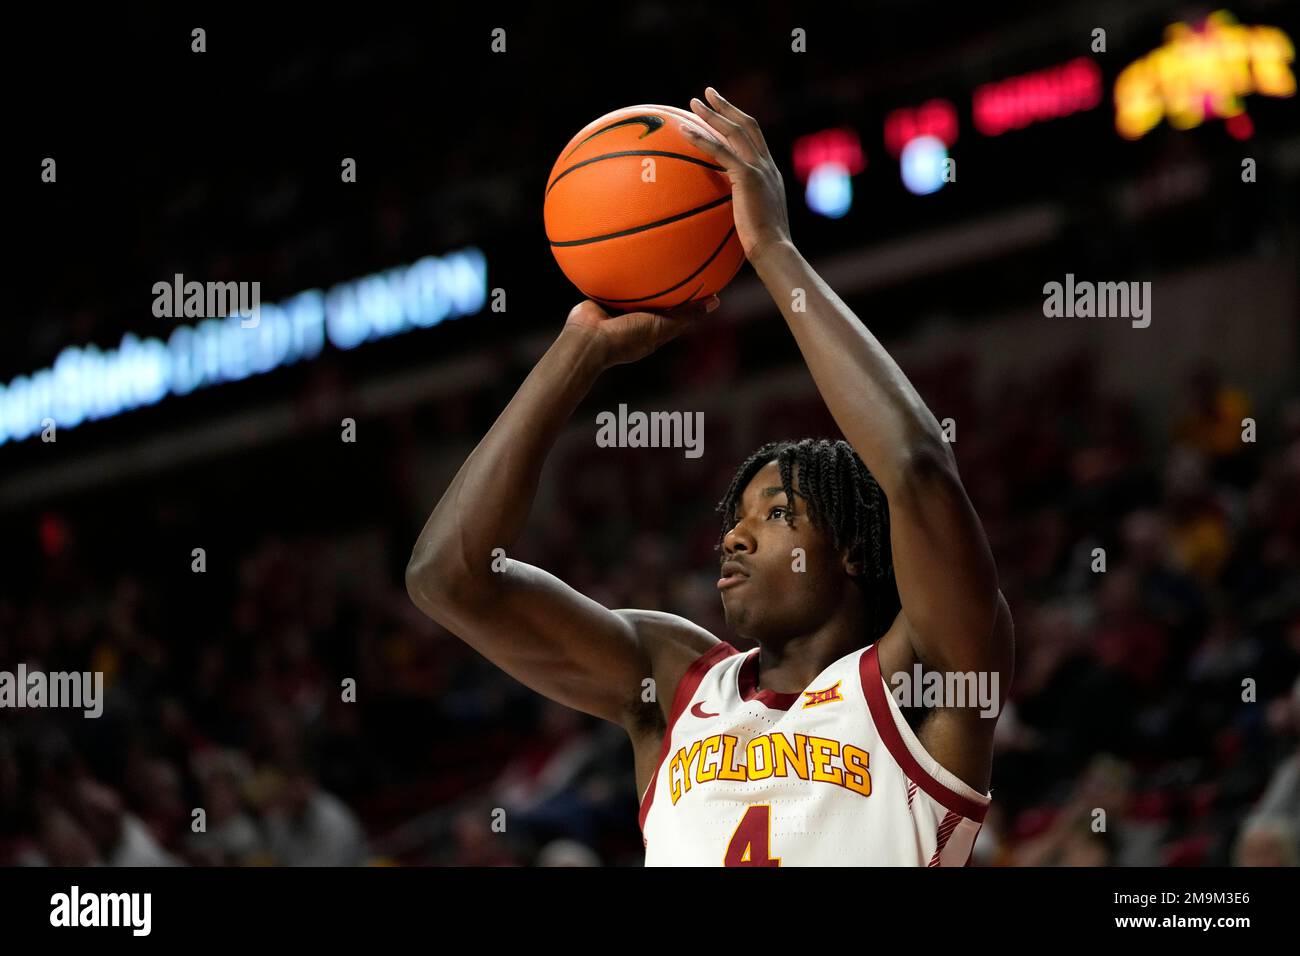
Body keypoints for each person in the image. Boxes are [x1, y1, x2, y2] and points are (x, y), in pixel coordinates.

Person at [406, 87, 1013, 865]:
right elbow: (448, 578)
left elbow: (919, 470)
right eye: (737, 513)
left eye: (776, 513)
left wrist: (773, 254)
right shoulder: (676, 684)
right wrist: (580, 350)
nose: (734, 532)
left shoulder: (924, 676)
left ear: (856, 552)